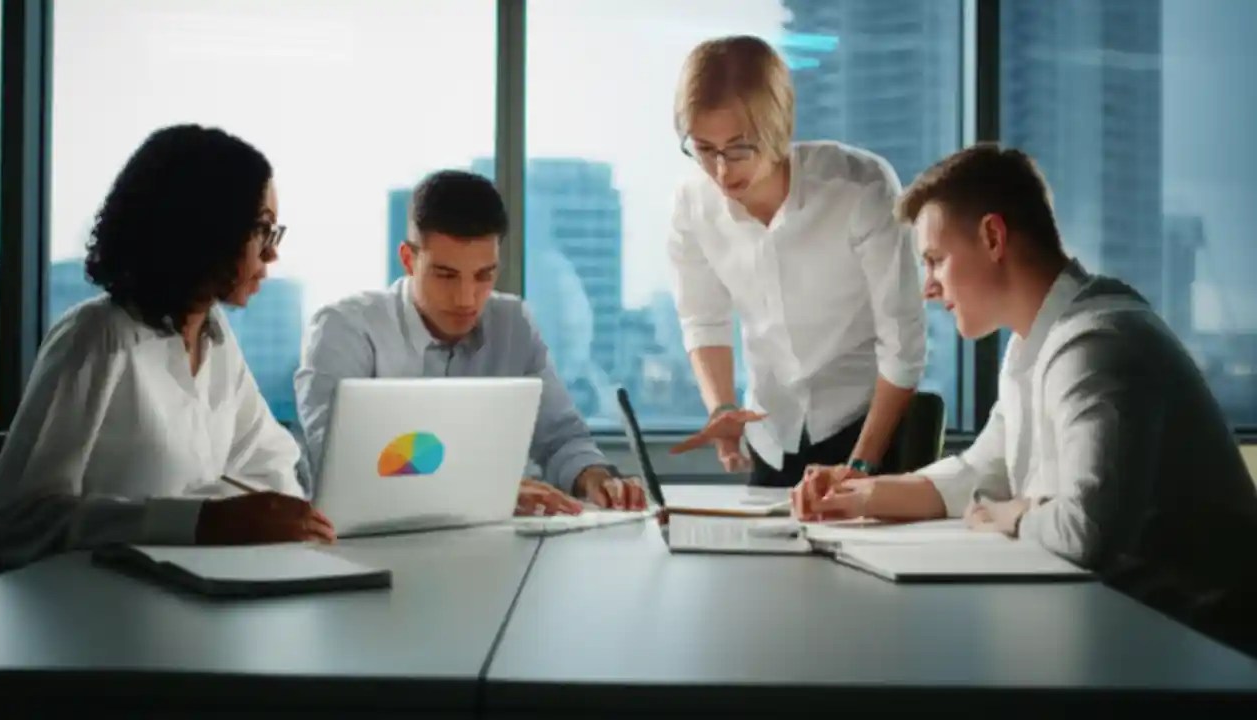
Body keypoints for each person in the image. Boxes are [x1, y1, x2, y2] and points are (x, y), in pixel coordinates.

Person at [793, 142, 1257, 658]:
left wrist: (1013, 513)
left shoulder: (1099, 346)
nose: (928, 287)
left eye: (935, 261)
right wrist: (861, 492)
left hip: (1208, 657)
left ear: (993, 237)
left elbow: (1086, 531)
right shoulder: (1033, 343)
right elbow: (978, 472)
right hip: (1132, 633)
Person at [0, 124, 335, 568]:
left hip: (190, 598)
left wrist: (291, 518)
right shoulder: (97, 338)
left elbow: (269, 461)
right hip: (95, 610)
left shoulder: (216, 339)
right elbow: (15, 522)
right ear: (206, 229)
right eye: (262, 230)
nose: (272, 254)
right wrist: (198, 521)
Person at [294, 169, 647, 515]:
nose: (466, 298)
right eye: (445, 275)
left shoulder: (513, 325)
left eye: (484, 275)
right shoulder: (343, 329)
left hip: (493, 544)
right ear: (407, 259)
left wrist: (594, 477)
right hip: (369, 548)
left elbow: (561, 438)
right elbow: (341, 470)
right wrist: (494, 493)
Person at [664, 35, 927, 488]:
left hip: (866, 427)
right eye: (705, 150)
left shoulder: (859, 188)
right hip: (771, 432)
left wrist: (859, 467)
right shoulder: (692, 206)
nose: (722, 171)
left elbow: (903, 345)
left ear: (778, 130)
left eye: (739, 148)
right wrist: (723, 409)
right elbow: (704, 321)